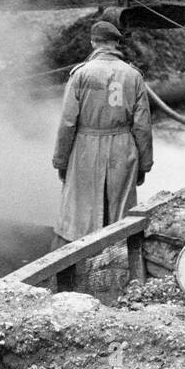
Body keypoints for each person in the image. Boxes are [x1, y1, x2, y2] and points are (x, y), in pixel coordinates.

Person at [51, 19, 153, 247]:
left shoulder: (80, 74)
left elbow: (68, 123)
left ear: (93, 43)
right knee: (119, 210)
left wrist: (61, 161)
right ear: (116, 44)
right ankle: (118, 259)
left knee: (81, 212)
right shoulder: (133, 75)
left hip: (86, 147)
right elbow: (142, 125)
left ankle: (77, 260)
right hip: (123, 146)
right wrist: (145, 164)